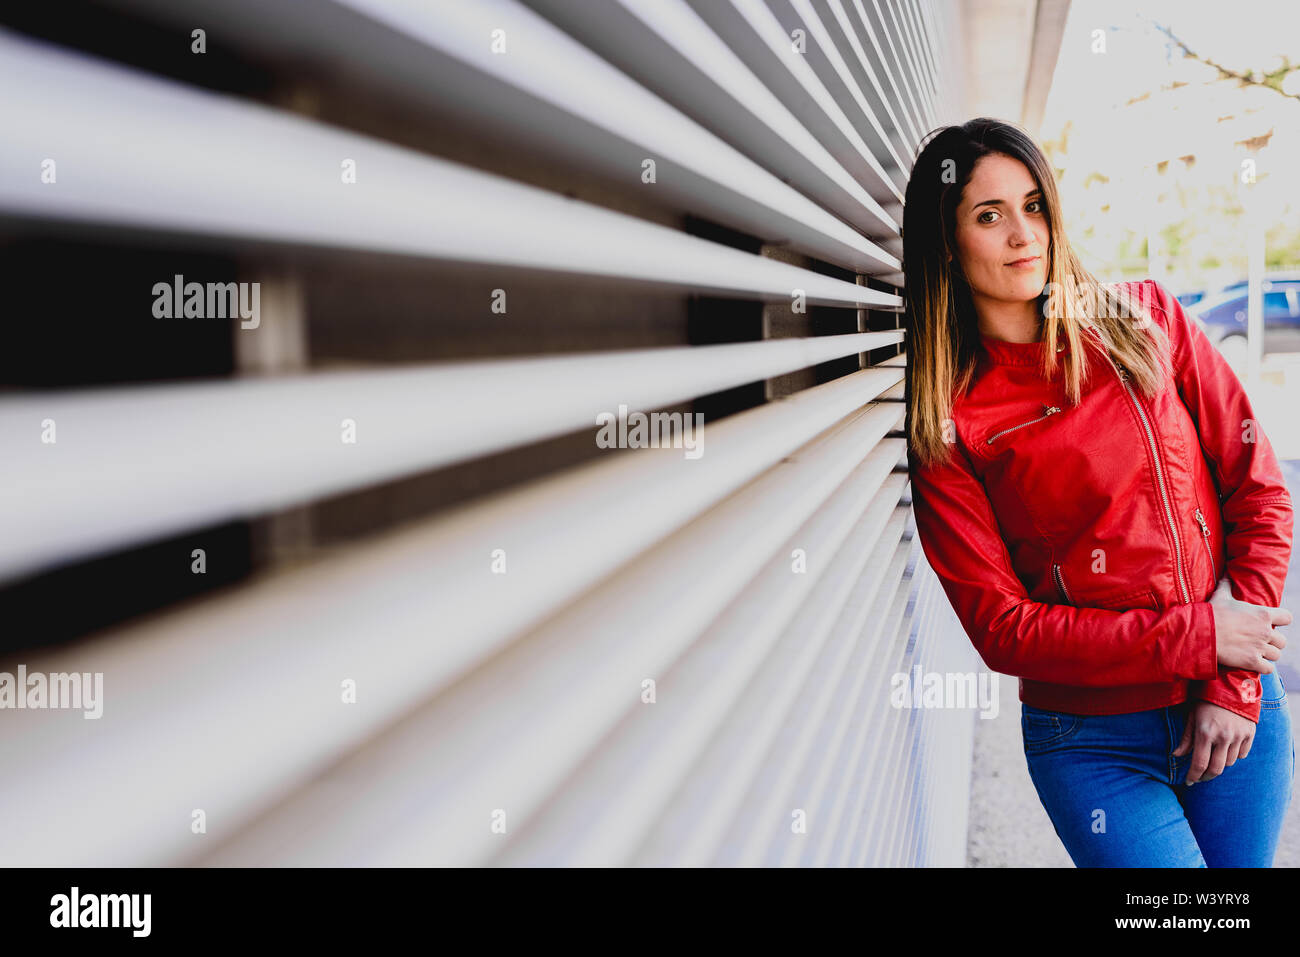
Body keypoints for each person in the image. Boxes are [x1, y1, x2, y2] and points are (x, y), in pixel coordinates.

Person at [902, 117, 1296, 867]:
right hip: (1091, 743)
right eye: (989, 215)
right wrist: (1198, 638)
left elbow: (1259, 491)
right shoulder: (951, 421)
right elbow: (1005, 629)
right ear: (947, 244)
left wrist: (1234, 678)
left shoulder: (1146, 323)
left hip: (1234, 702)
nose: (1024, 234)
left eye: (1033, 205)